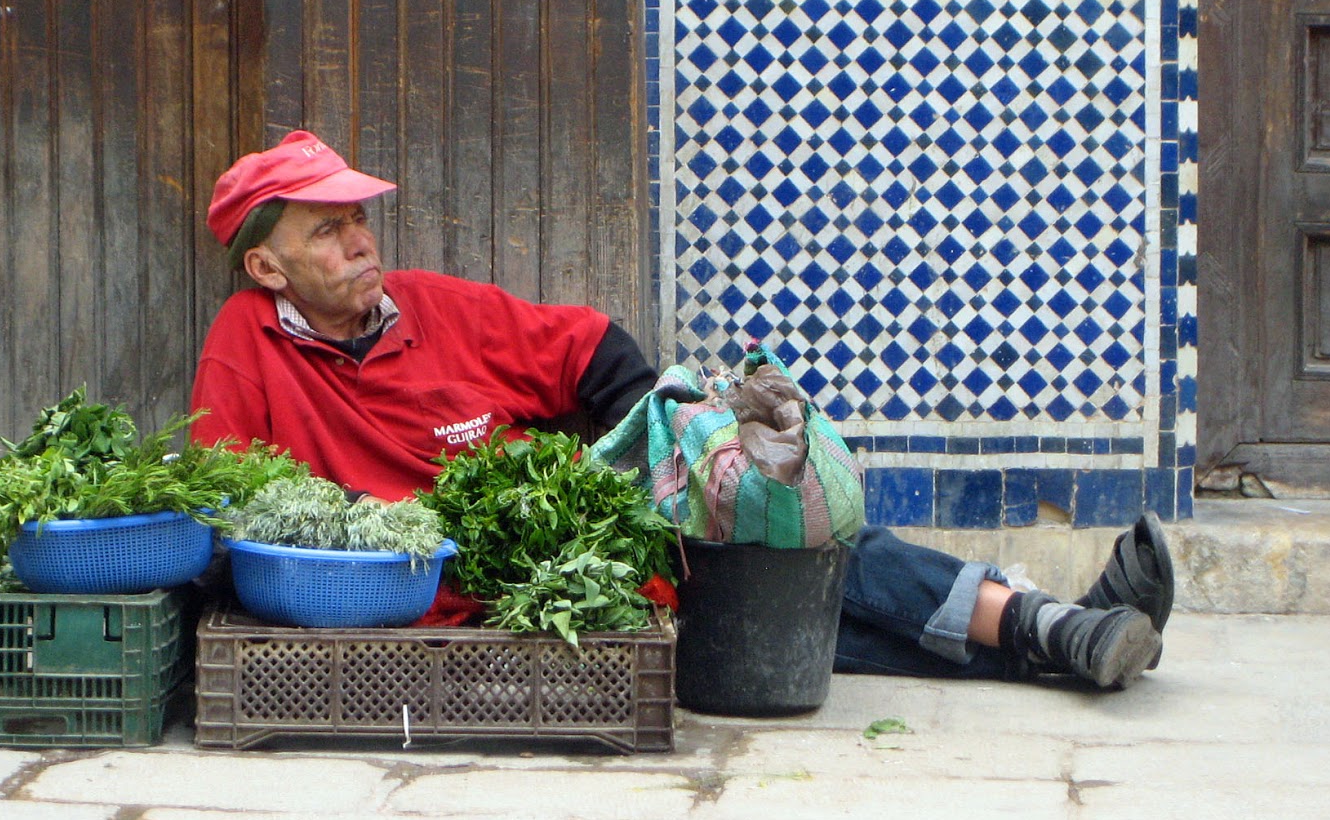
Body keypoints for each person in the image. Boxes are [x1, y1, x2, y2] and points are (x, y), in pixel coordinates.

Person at [190, 131, 1173, 691]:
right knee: (755, 620)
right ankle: (1048, 634)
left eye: (360, 217)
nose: (361, 241)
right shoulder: (247, 343)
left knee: (768, 536)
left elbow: (592, 350)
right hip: (455, 602)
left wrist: (670, 459)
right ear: (267, 266)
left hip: (587, 551)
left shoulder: (437, 308)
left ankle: (1046, 629)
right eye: (328, 230)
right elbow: (226, 499)